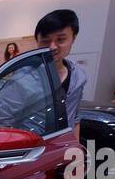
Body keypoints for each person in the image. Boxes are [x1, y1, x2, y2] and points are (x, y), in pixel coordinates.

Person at [35, 9, 87, 137]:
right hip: (32, 150)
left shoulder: (78, 76)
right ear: (37, 41)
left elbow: (75, 117)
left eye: (60, 39)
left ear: (73, 38)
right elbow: (5, 121)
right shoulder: (23, 78)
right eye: (46, 41)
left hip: (61, 148)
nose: (52, 47)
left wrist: (75, 149)